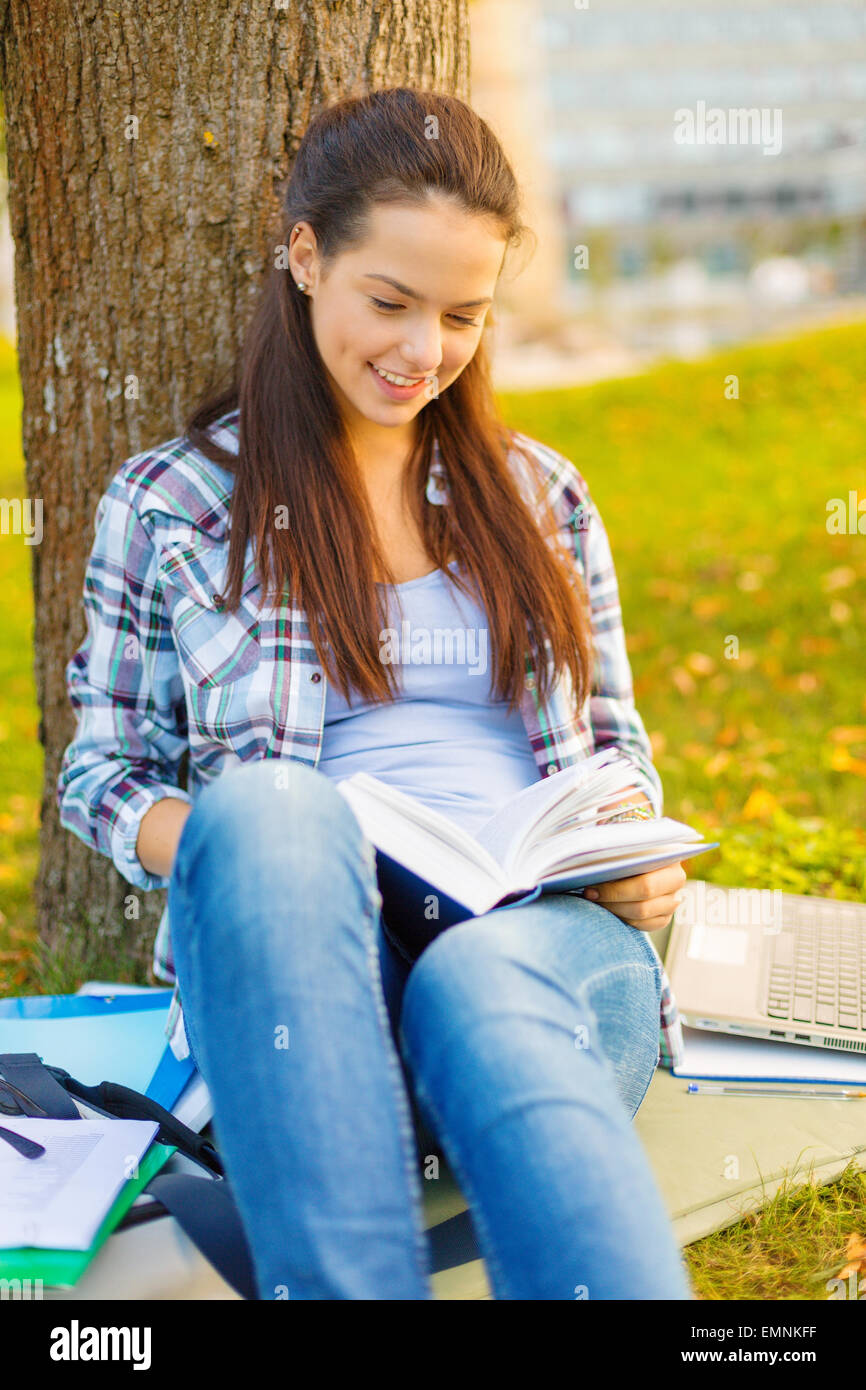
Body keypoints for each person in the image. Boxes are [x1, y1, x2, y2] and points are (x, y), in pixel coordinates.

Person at [57, 87, 693, 1300]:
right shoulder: (172, 503)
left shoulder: (542, 496)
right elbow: (103, 773)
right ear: (304, 258)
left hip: (537, 963)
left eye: (462, 316)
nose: (421, 354)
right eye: (389, 303)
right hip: (306, 969)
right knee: (276, 812)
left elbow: (612, 751)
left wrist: (628, 856)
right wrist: (248, 852)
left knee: (478, 975)